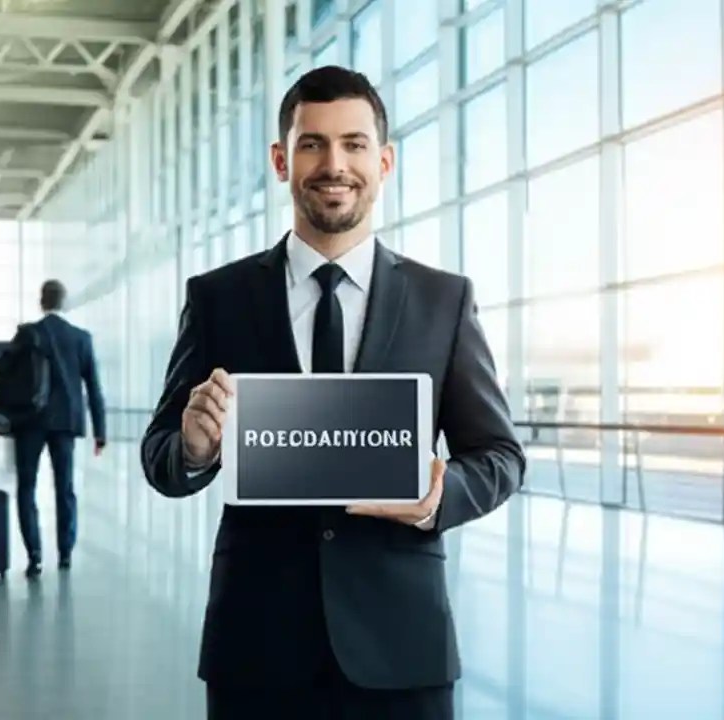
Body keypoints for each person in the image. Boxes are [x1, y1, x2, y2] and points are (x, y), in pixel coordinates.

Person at [140, 65, 526, 718]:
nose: (333, 164)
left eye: (352, 144)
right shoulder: (219, 299)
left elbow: (499, 455)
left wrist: (440, 495)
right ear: (281, 161)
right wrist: (195, 448)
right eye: (312, 143)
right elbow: (161, 457)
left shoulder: (443, 302)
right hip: (256, 646)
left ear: (384, 161)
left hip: (402, 645)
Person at [9, 279, 106, 578]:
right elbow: (93, 387)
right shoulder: (80, 338)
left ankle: (34, 555)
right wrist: (100, 430)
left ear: (41, 301)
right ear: (64, 302)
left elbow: (9, 376)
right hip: (66, 423)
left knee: (27, 487)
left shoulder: (28, 334)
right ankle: (65, 553)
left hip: (29, 422)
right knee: (64, 487)